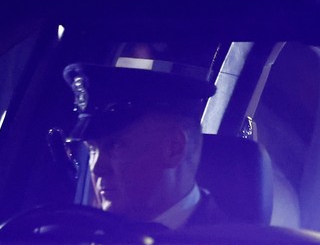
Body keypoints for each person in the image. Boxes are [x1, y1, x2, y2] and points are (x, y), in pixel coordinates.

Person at [62, 63, 227, 228]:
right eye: (92, 149)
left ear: (173, 148)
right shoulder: (79, 235)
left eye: (116, 146)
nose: (97, 168)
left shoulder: (227, 242)